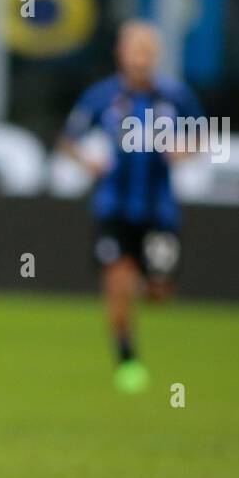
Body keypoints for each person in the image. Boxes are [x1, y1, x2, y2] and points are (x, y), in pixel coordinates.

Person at [58, 20, 205, 392]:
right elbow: (68, 139)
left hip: (159, 211)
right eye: (135, 50)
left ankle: (148, 279)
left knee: (158, 293)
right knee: (117, 280)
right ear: (120, 54)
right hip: (113, 207)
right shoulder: (101, 97)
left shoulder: (176, 97)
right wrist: (87, 162)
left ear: (156, 56)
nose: (141, 59)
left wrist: (184, 151)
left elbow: (204, 135)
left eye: (148, 51)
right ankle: (126, 358)